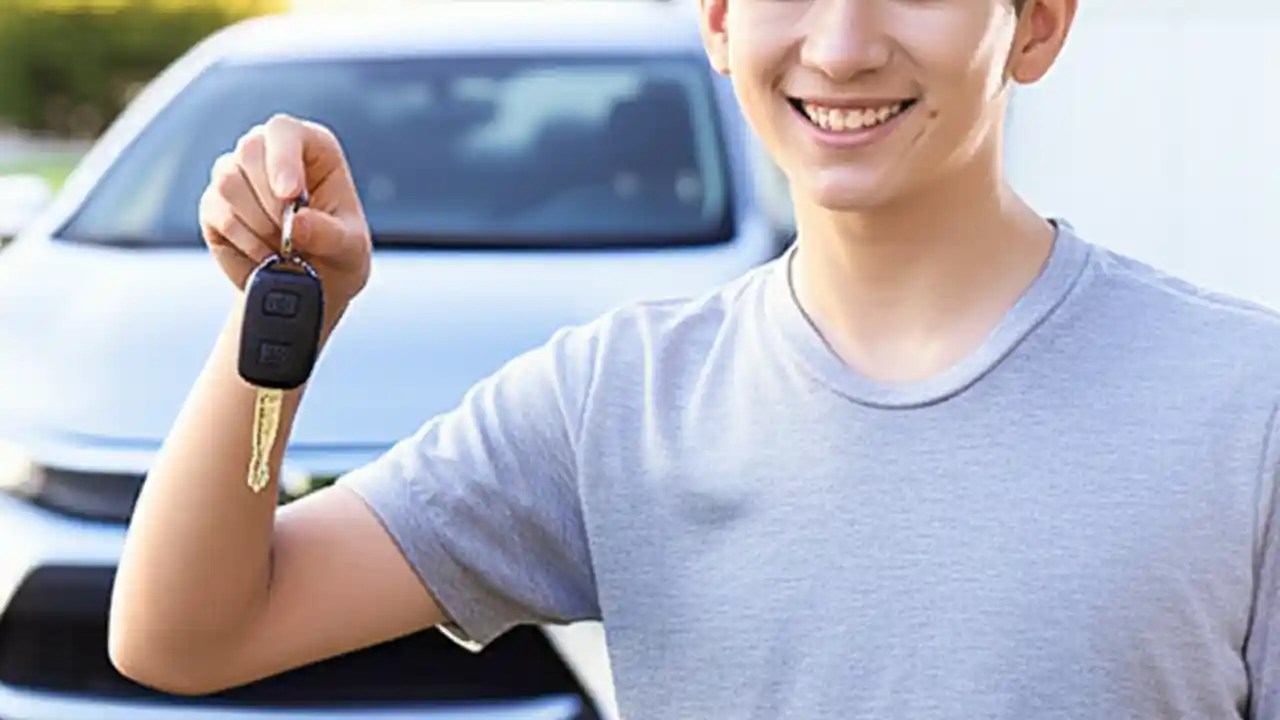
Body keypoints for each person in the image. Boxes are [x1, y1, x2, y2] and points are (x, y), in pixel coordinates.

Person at [107, 0, 1280, 717]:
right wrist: (279, 339)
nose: (843, 41)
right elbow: (184, 632)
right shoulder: (612, 402)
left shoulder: (1243, 404)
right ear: (718, 20)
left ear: (1036, 23)